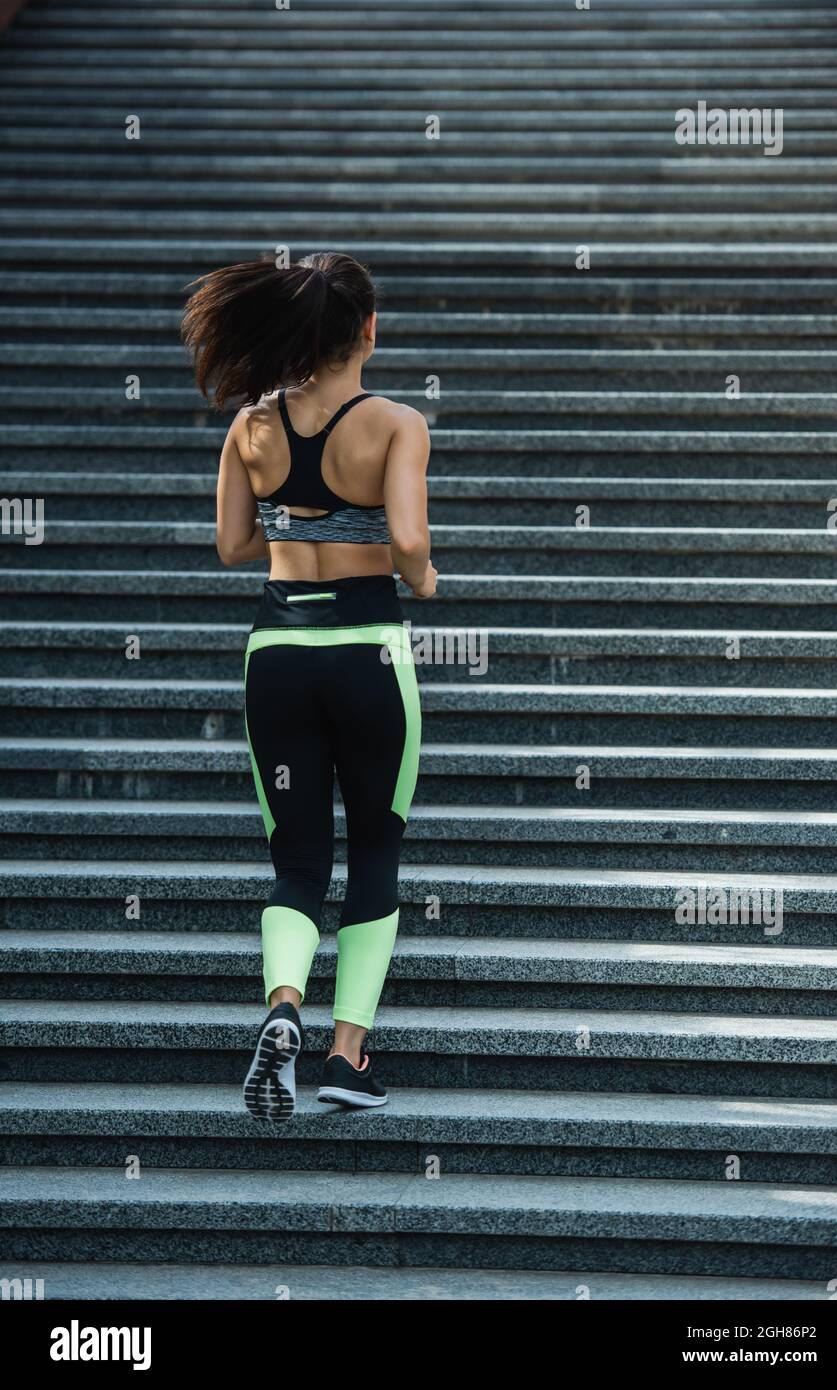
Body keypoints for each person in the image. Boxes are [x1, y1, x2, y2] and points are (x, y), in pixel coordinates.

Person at [181, 251, 435, 1119]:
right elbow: (406, 544)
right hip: (367, 649)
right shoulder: (396, 423)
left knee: (296, 860)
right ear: (367, 329)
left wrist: (299, 527)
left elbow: (233, 547)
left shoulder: (249, 426)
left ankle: (283, 1006)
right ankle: (345, 1056)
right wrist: (424, 576)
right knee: (374, 849)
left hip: (277, 652)